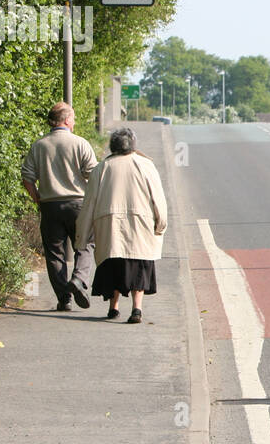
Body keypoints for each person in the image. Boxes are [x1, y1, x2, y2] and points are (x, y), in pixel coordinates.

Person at [75, 128, 167, 323]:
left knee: (113, 264)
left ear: (112, 146)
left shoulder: (101, 168)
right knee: (140, 265)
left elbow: (89, 203)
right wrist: (161, 224)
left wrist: (82, 236)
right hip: (140, 225)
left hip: (109, 226)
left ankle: (113, 307)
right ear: (133, 144)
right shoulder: (146, 165)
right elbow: (158, 199)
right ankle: (137, 308)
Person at [21, 102, 98, 311]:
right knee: (85, 244)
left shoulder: (39, 145)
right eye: (72, 118)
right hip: (78, 205)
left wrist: (37, 197)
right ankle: (79, 280)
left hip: (50, 205)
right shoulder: (80, 143)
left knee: (55, 253)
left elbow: (27, 176)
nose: (74, 122)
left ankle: (64, 299)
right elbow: (93, 173)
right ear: (66, 120)